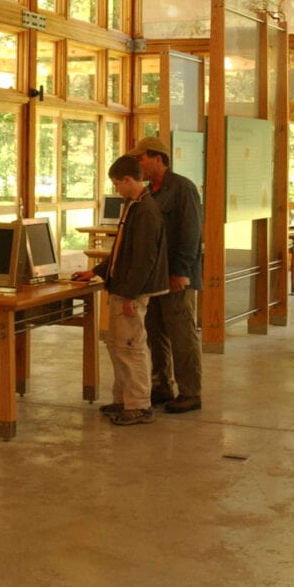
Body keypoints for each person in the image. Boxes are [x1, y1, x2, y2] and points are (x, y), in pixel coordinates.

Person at [72, 153, 169, 426]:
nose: (116, 189)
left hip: (132, 292)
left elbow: (143, 259)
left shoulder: (146, 211)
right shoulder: (133, 205)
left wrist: (129, 294)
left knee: (131, 347)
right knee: (117, 346)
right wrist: (96, 271)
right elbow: (121, 250)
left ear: (128, 180)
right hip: (123, 287)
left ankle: (138, 405)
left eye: (117, 184)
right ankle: (123, 398)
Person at [133, 134, 204, 413]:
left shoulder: (182, 188)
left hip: (177, 278)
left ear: (158, 158)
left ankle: (191, 392)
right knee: (156, 332)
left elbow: (191, 233)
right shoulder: (149, 191)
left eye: (141, 157)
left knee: (182, 334)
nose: (138, 162)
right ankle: (162, 385)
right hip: (155, 279)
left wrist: (181, 272)